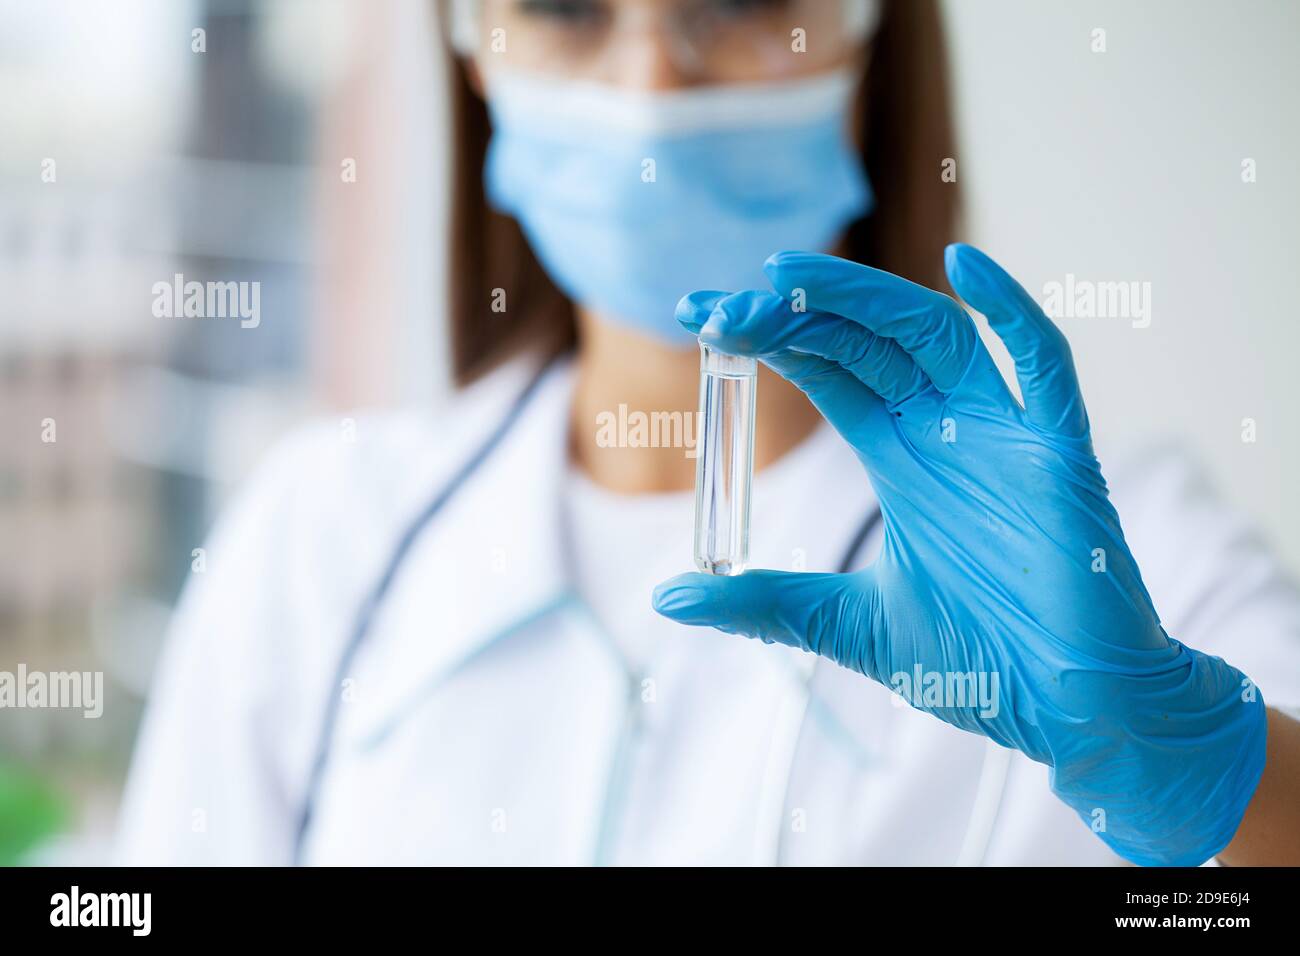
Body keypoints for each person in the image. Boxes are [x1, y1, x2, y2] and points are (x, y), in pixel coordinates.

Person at [116, 0, 1300, 865]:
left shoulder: (1123, 562)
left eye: (735, 3)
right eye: (567, 10)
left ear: (866, 34)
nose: (651, 90)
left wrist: (1209, 769)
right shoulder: (320, 534)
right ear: (470, 48)